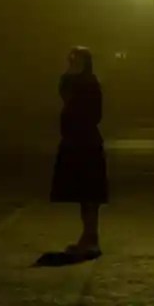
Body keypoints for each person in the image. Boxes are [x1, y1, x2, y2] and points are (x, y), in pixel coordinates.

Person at [50, 47, 108, 257]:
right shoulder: (73, 82)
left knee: (89, 193)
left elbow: (94, 114)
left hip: (86, 142)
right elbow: (63, 93)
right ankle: (88, 236)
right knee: (83, 193)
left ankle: (91, 237)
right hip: (76, 142)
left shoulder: (91, 84)